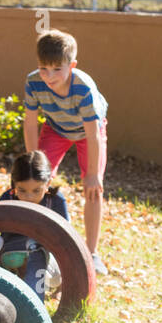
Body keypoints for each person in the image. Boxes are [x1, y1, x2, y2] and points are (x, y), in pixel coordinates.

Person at [23, 27, 109, 274]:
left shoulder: (83, 88)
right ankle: (34, 240)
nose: (49, 76)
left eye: (56, 69)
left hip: (88, 133)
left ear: (72, 65)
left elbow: (93, 134)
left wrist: (92, 174)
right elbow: (30, 123)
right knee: (35, 181)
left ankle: (91, 254)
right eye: (43, 68)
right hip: (56, 128)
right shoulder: (34, 82)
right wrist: (33, 163)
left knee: (94, 187)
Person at [0, 149, 67, 298]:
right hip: (9, 258)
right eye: (22, 190)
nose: (29, 197)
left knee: (36, 247)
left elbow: (66, 241)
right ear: (14, 184)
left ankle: (34, 302)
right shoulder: (8, 197)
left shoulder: (55, 200)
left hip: (45, 263)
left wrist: (65, 287)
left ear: (48, 183)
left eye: (36, 190)